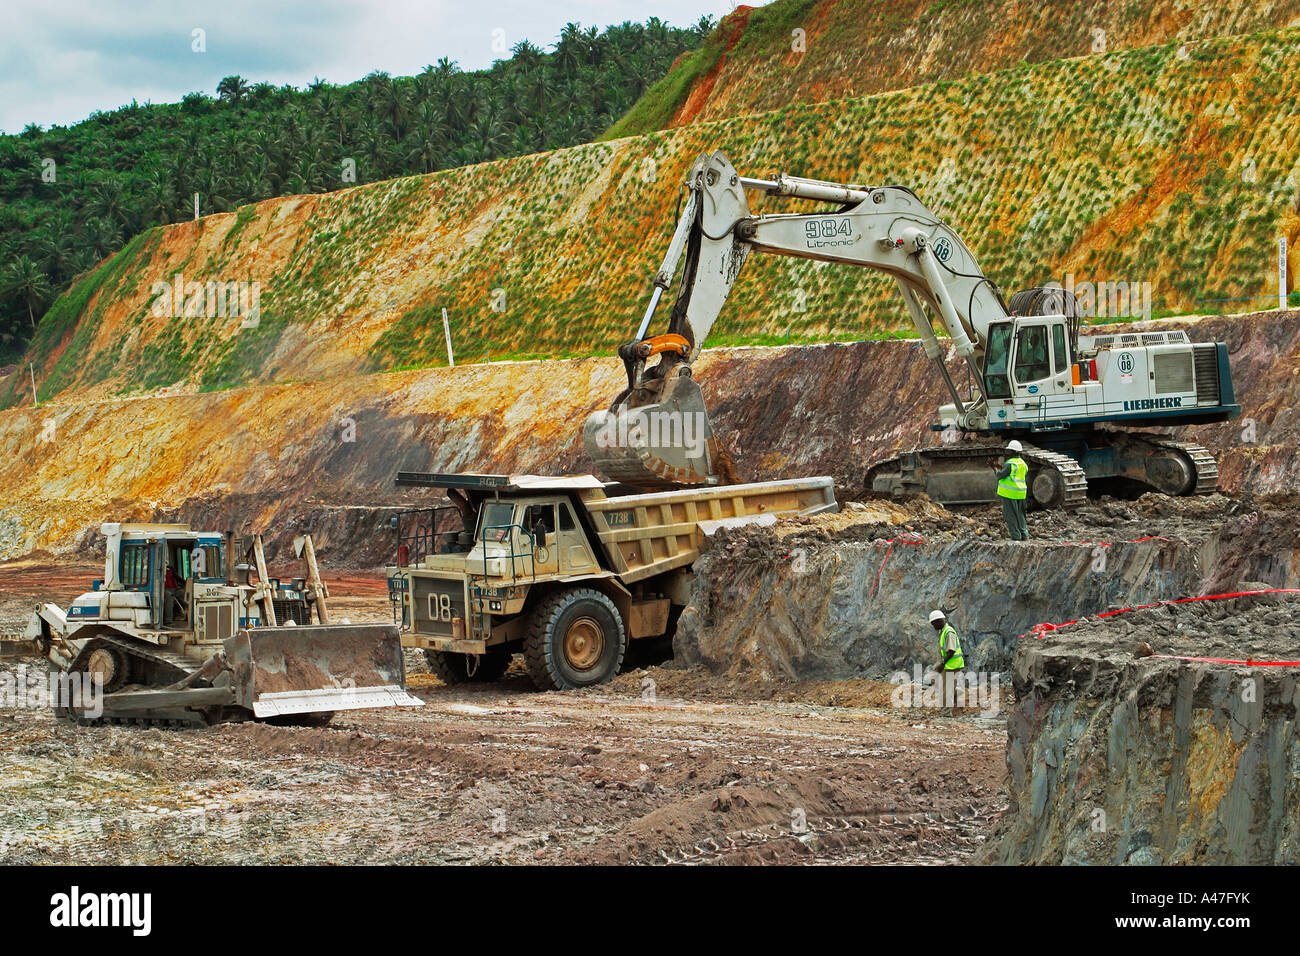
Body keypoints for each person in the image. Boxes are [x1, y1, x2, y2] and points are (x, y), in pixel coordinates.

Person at [930, 609, 965, 712]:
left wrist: (942, 664)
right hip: (949, 665)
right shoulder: (943, 631)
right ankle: (958, 696)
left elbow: (951, 651)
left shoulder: (949, 632)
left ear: (938, 621)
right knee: (944, 686)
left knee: (946, 689)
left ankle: (945, 712)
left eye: (933, 624)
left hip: (952, 666)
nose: (933, 627)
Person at [995, 440, 1029, 540]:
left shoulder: (1010, 463)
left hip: (1009, 493)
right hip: (1021, 493)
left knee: (1010, 515)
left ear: (1013, 451)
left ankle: (1015, 536)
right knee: (1021, 515)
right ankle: (1024, 534)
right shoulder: (1023, 464)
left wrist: (996, 469)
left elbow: (1000, 475)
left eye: (1009, 450)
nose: (1007, 452)